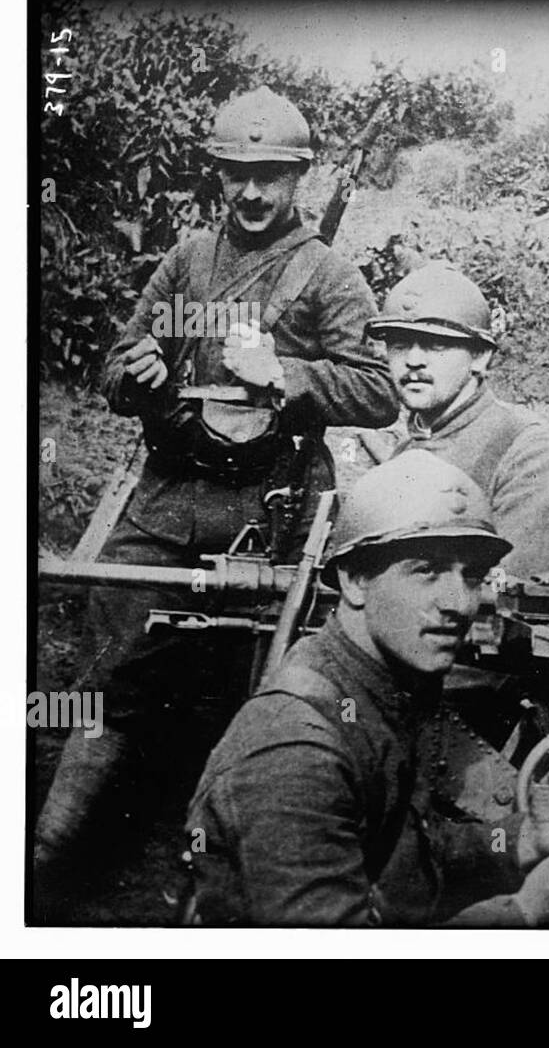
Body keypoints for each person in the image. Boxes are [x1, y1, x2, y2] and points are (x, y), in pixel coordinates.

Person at [34, 87, 398, 888]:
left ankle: (228, 863)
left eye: (272, 174)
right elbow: (115, 363)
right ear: (217, 175)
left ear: (298, 176)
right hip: (170, 493)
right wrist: (139, 374)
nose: (254, 193)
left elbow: (378, 389)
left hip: (270, 504)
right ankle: (47, 855)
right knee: (107, 668)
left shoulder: (328, 273)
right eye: (237, 174)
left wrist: (290, 374)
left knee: (267, 681)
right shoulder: (188, 260)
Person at [184, 452, 549, 925]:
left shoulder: (376, 688)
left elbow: (404, 858)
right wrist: (526, 913)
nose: (458, 603)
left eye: (471, 576)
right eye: (426, 570)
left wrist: (526, 839)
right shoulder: (295, 749)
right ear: (355, 580)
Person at [368, 263, 549, 577]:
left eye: (435, 344)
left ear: (480, 357)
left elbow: (514, 590)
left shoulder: (529, 450)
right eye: (399, 344)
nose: (413, 359)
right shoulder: (404, 453)